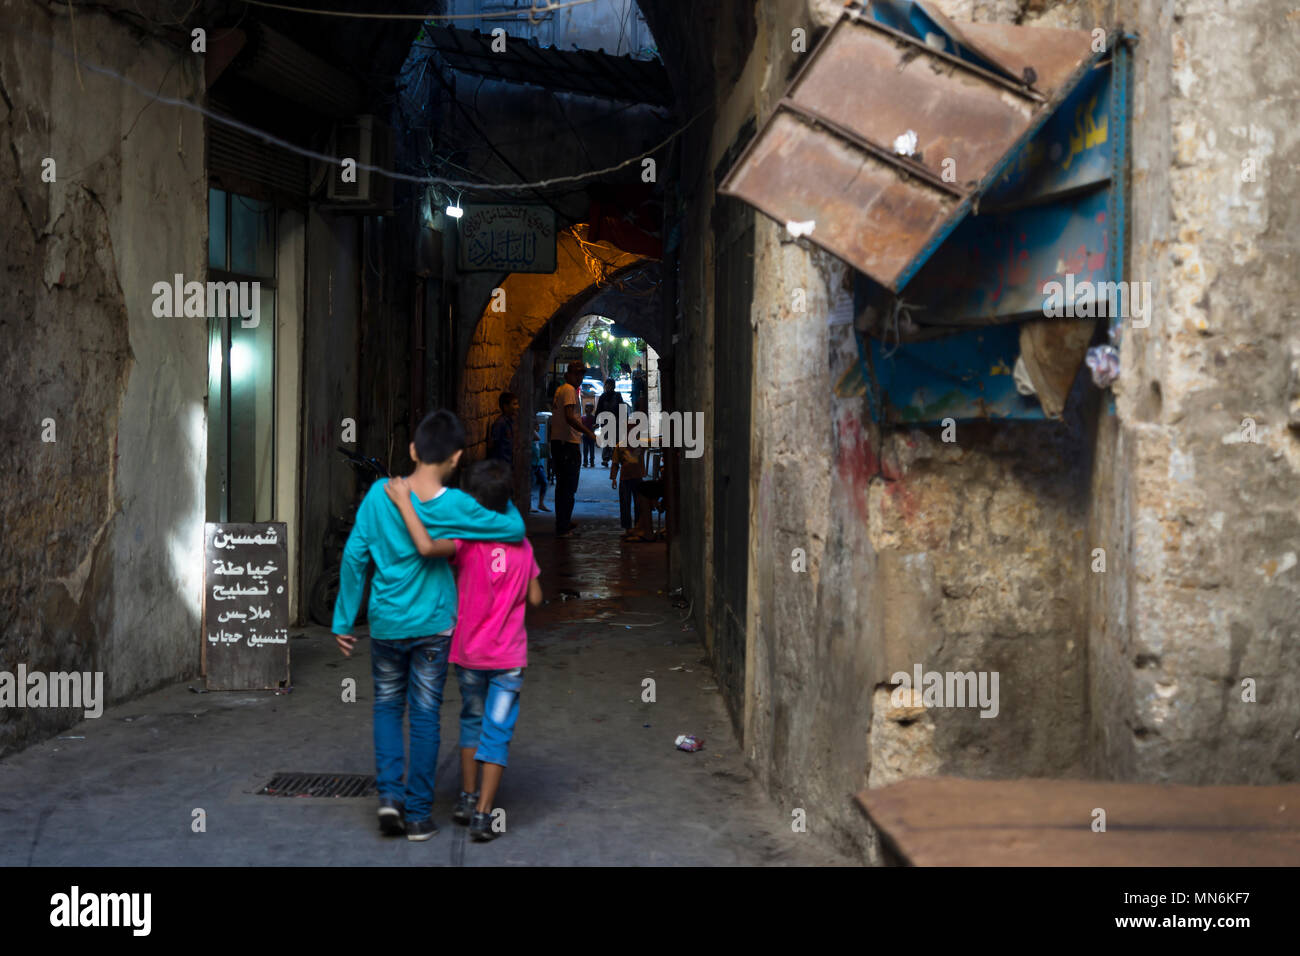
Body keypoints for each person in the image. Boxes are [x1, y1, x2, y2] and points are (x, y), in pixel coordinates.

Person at [333, 409, 525, 842]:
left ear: (413, 449)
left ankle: (389, 798)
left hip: (385, 624)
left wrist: (344, 619)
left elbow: (354, 557)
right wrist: (499, 491)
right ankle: (418, 815)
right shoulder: (455, 505)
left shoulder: (381, 494)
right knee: (424, 715)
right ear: (456, 458)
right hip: (433, 627)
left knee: (386, 707)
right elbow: (512, 528)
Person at [385, 460, 542, 842]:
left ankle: (466, 799)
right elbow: (536, 598)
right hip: (507, 661)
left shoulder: (465, 541)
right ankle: (484, 816)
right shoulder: (522, 544)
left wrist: (407, 504)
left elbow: (427, 547)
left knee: (471, 720)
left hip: (469, 655)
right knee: (497, 732)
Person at [550, 359, 597, 537]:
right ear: (568, 374)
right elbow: (570, 417)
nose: (579, 377)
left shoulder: (562, 389)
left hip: (560, 442)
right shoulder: (569, 390)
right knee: (568, 486)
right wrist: (588, 433)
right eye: (576, 374)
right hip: (567, 443)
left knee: (564, 486)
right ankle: (562, 526)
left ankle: (563, 521)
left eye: (581, 374)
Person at [610, 439, 646, 540]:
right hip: (627, 478)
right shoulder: (621, 445)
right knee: (626, 504)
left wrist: (613, 478)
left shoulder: (641, 443)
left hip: (634, 477)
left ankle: (636, 528)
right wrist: (613, 478)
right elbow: (615, 463)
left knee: (636, 504)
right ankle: (629, 529)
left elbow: (615, 463)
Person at [595, 378, 624, 466]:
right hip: (605, 421)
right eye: (607, 385)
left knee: (616, 441)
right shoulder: (603, 396)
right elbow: (599, 409)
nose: (608, 386)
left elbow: (622, 408)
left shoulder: (617, 395)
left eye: (610, 385)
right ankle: (606, 459)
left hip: (616, 421)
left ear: (613, 386)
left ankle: (616, 459)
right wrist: (596, 422)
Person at [487, 391, 517, 466]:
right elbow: (492, 446)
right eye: (514, 404)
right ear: (505, 406)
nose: (517, 407)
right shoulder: (500, 424)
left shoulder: (511, 422)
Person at [531, 424, 550, 512]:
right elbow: (538, 437)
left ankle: (541, 503)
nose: (538, 427)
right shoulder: (531, 435)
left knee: (544, 482)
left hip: (537, 464)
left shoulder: (535, 439)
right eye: (536, 425)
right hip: (531, 464)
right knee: (529, 485)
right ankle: (529, 505)